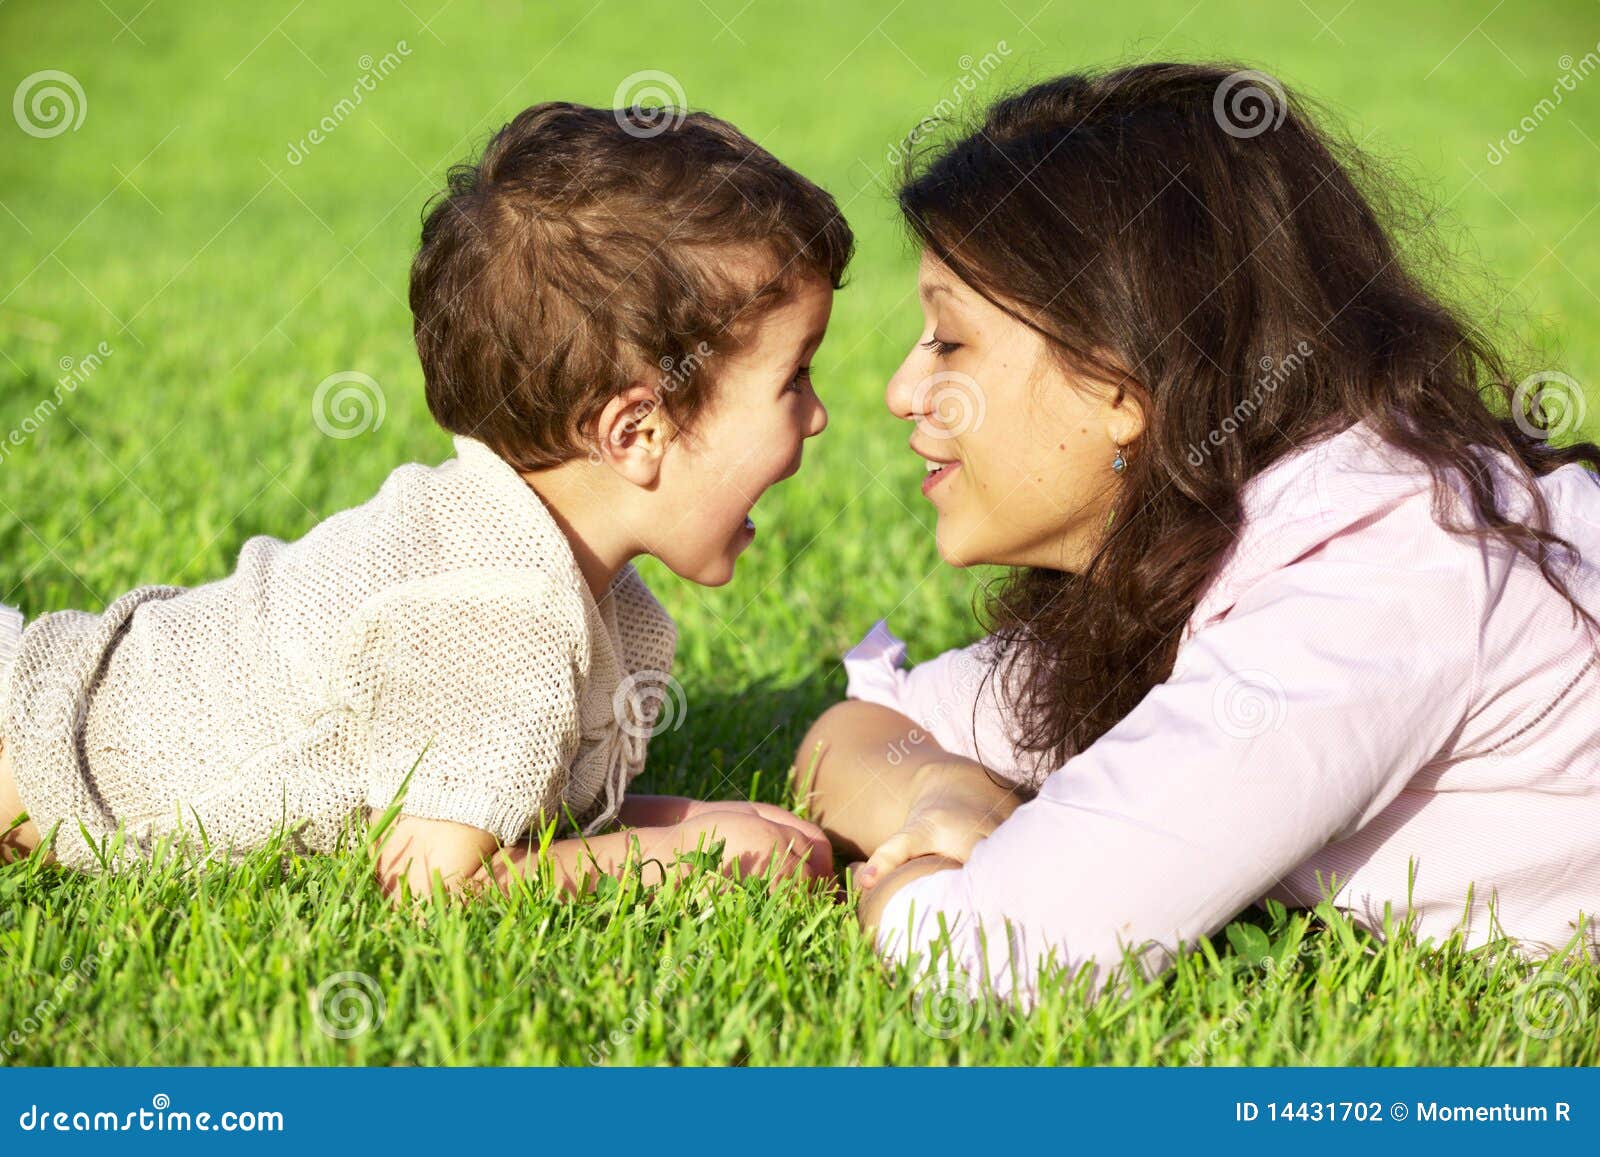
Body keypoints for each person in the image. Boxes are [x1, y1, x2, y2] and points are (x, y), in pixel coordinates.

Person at [794, 63, 1600, 1004]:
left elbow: (1002, 952)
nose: (901, 391)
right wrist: (944, 796)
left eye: (951, 341)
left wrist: (908, 890)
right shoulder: (1215, 539)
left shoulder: (1373, 577)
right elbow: (860, 730)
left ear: (1121, 382)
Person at [1, 102, 850, 898]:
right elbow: (435, 884)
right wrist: (686, 853)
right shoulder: (498, 614)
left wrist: (695, 818)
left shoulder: (555, 573)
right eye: (794, 377)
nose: (816, 417)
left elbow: (519, 815)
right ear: (634, 431)